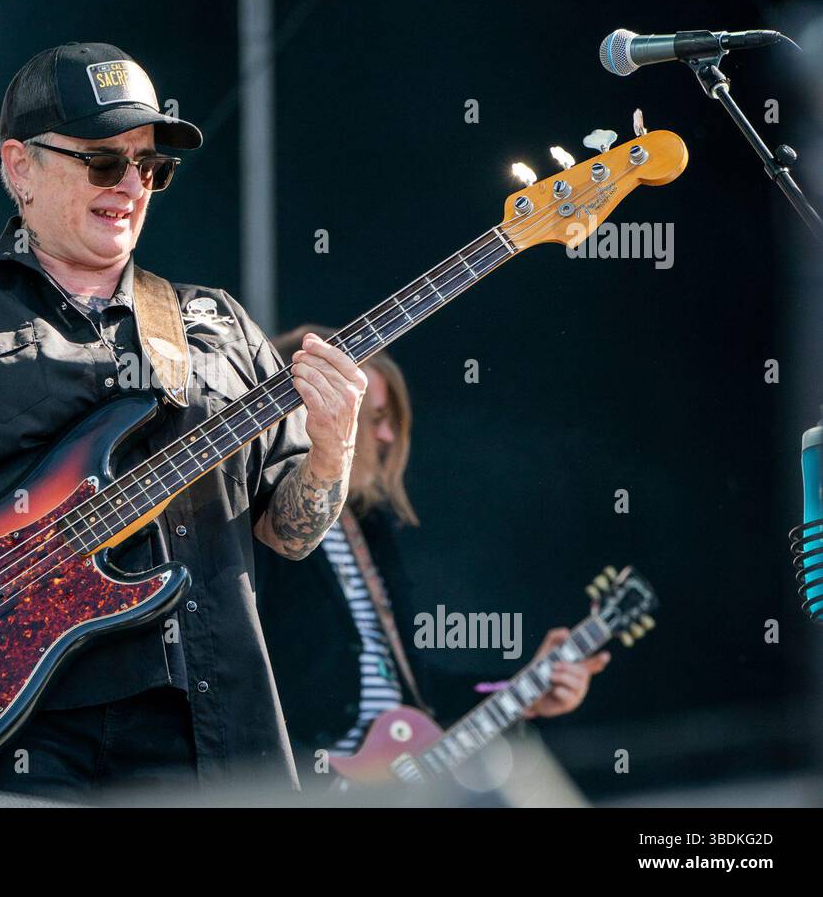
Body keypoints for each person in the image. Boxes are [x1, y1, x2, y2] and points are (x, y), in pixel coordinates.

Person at [0, 44, 367, 801]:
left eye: (150, 166)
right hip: (3, 720)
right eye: (102, 161)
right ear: (19, 166)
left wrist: (332, 448)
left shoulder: (215, 323)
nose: (130, 184)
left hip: (206, 720)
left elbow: (288, 534)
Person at [255, 324, 609, 789]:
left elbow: (417, 692)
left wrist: (523, 690)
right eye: (372, 417)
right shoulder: (254, 517)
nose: (387, 435)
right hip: (293, 781)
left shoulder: (369, 529)